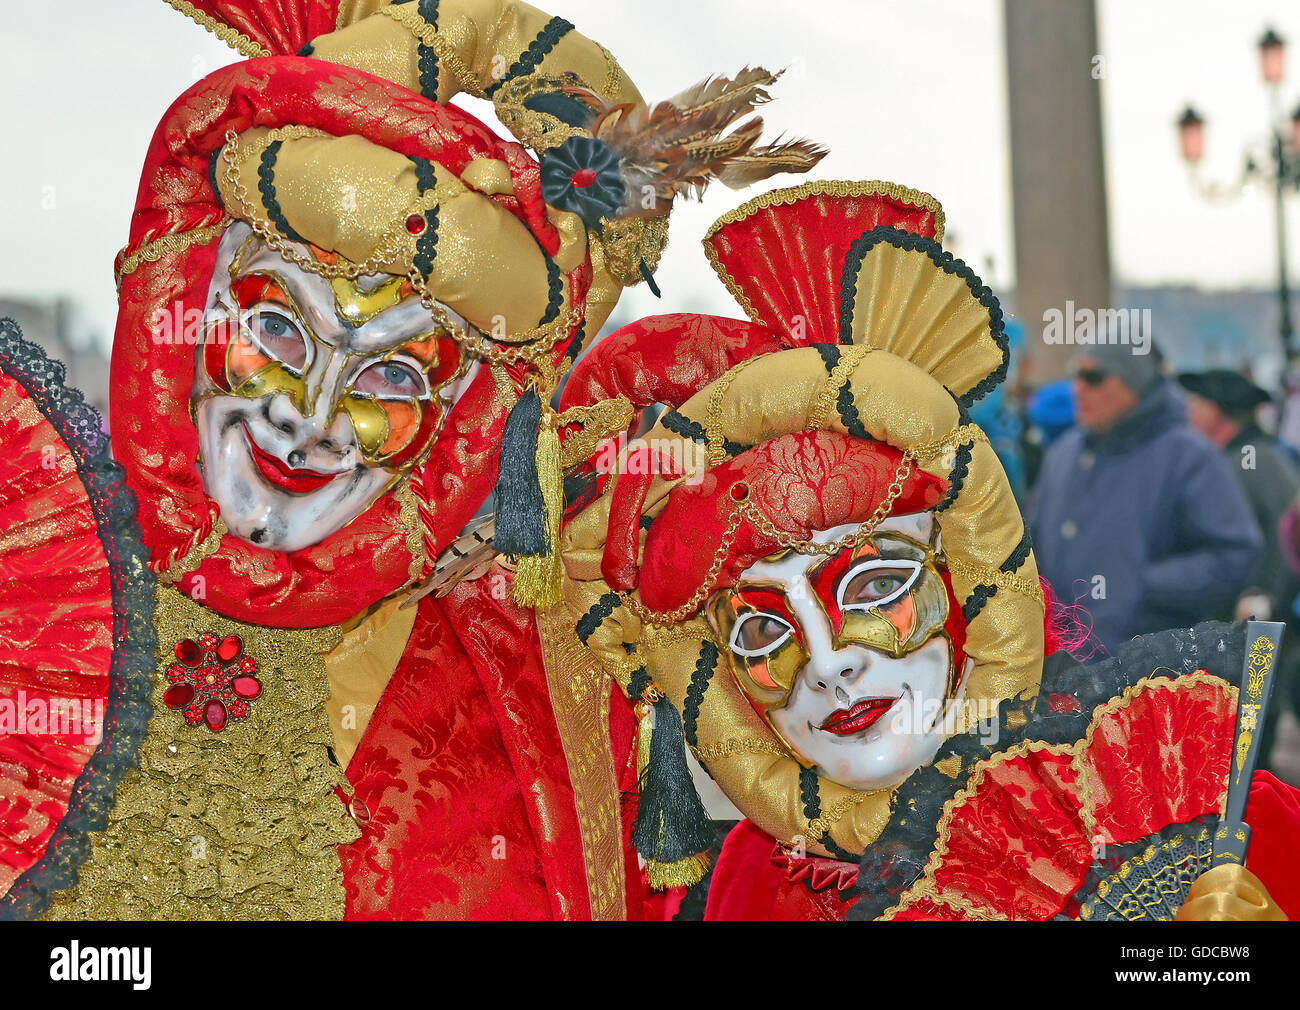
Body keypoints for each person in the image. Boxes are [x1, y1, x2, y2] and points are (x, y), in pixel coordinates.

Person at [0, 0, 821, 920]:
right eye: (276, 329)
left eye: (390, 379)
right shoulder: (42, 598)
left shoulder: (546, 638)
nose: (310, 422)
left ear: (467, 414)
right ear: (195, 298)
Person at [557, 180, 1300, 921]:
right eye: (762, 632)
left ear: (968, 577)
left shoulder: (1196, 816)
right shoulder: (750, 882)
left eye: (875, 589)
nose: (828, 662)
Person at [1029, 343, 1261, 654]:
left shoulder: (1189, 455)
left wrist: (1141, 585)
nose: (1079, 388)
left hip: (1148, 671)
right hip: (1060, 666)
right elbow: (1033, 547)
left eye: (1094, 377)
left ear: (1133, 385)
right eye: (1076, 375)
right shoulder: (1064, 454)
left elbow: (1236, 554)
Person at [1179, 369, 1300, 624]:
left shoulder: (1255, 461)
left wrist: (1267, 598)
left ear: (1215, 411)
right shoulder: (1233, 459)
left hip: (1256, 623)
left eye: (1196, 402)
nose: (1188, 411)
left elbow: (1288, 538)